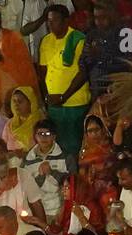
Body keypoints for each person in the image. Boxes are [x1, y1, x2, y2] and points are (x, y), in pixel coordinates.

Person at [38, 5, 90, 161]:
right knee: (57, 147)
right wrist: (46, 98)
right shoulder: (46, 41)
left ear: (66, 20)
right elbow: (43, 72)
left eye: (55, 21)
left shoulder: (78, 39)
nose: (51, 25)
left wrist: (64, 97)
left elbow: (83, 73)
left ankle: (75, 180)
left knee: (75, 148)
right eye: (49, 21)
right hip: (54, 104)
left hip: (74, 103)